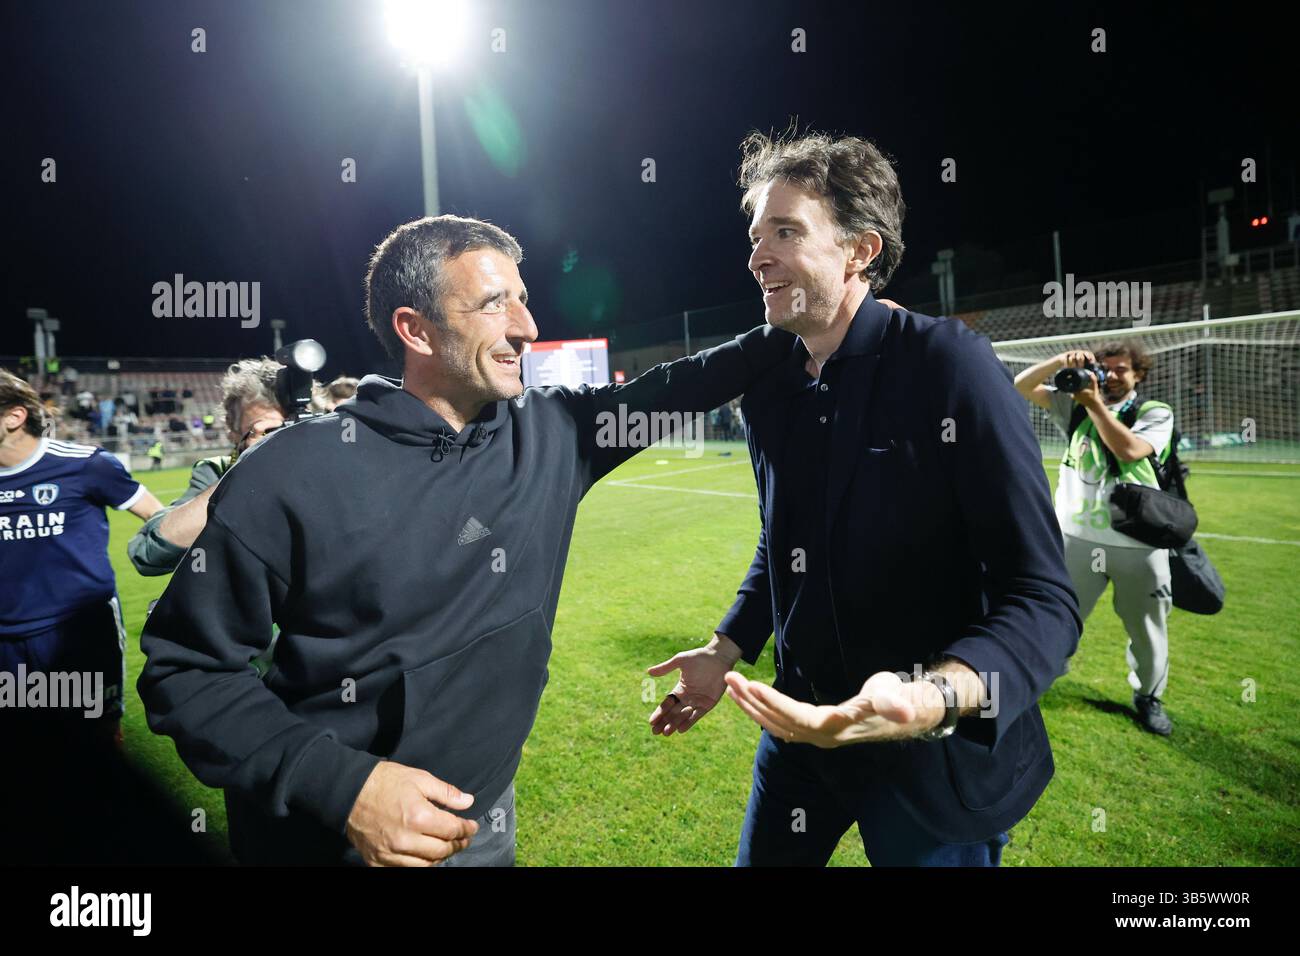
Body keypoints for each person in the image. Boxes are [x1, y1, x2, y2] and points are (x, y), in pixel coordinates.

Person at [137, 214, 794, 866]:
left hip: (484, 825)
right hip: (326, 838)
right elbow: (186, 669)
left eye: (523, 300)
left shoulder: (557, 431)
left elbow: (686, 385)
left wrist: (813, 320)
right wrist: (341, 787)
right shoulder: (289, 472)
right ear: (414, 329)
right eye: (492, 303)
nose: (526, 327)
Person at [646, 131, 1080, 866]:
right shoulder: (773, 387)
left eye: (787, 231)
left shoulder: (949, 366)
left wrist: (929, 697)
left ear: (860, 250)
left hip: (924, 754)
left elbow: (1043, 599)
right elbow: (783, 545)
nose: (759, 256)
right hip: (798, 740)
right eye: (757, 236)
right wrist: (726, 648)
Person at [0, 369, 165, 859]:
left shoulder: (86, 465)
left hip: (76, 633)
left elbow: (158, 520)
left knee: (97, 742)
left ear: (14, 416)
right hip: (6, 641)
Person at [1013, 342, 1175, 735]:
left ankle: (1148, 696)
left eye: (1124, 369)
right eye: (1107, 368)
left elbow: (1131, 449)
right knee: (1057, 618)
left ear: (1139, 375)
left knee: (1147, 629)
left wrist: (1094, 403)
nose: (1114, 374)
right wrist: (1061, 362)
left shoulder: (1153, 412)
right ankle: (1043, 676)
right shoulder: (1074, 405)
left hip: (1138, 544)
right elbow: (1019, 386)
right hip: (1075, 539)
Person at [128, 358, 289, 576]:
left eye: (292, 425)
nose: (285, 438)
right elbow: (149, 554)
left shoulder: (332, 463)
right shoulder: (217, 471)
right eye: (269, 432)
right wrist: (248, 467)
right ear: (232, 432)